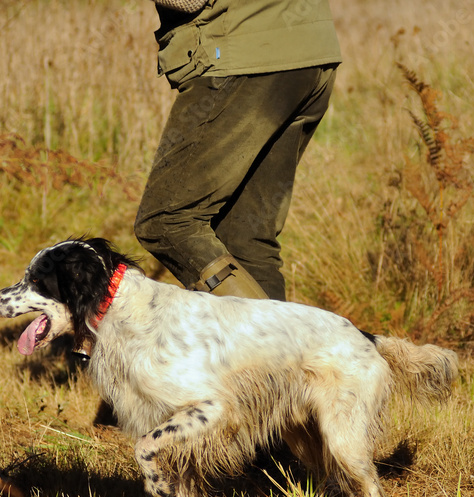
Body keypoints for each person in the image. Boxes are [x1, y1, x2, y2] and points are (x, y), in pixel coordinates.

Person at [134, 0, 341, 301]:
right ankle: (282, 347)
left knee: (167, 221)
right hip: (308, 51)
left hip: (244, 55)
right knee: (246, 240)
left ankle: (261, 339)